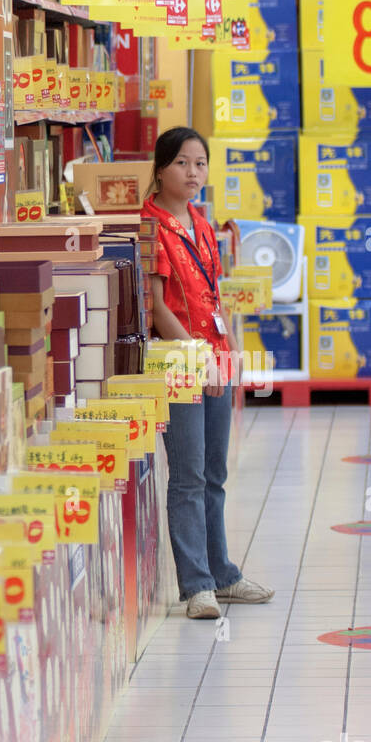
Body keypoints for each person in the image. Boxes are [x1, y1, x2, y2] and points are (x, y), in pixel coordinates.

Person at [143, 127, 274, 620]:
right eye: (182, 163)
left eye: (200, 163)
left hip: (215, 355)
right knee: (189, 475)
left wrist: (230, 344)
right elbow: (157, 307)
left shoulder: (200, 222)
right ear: (160, 169)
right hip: (180, 362)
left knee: (215, 473)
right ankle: (196, 584)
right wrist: (196, 352)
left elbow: (211, 295)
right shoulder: (151, 226)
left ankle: (223, 576)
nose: (193, 173)